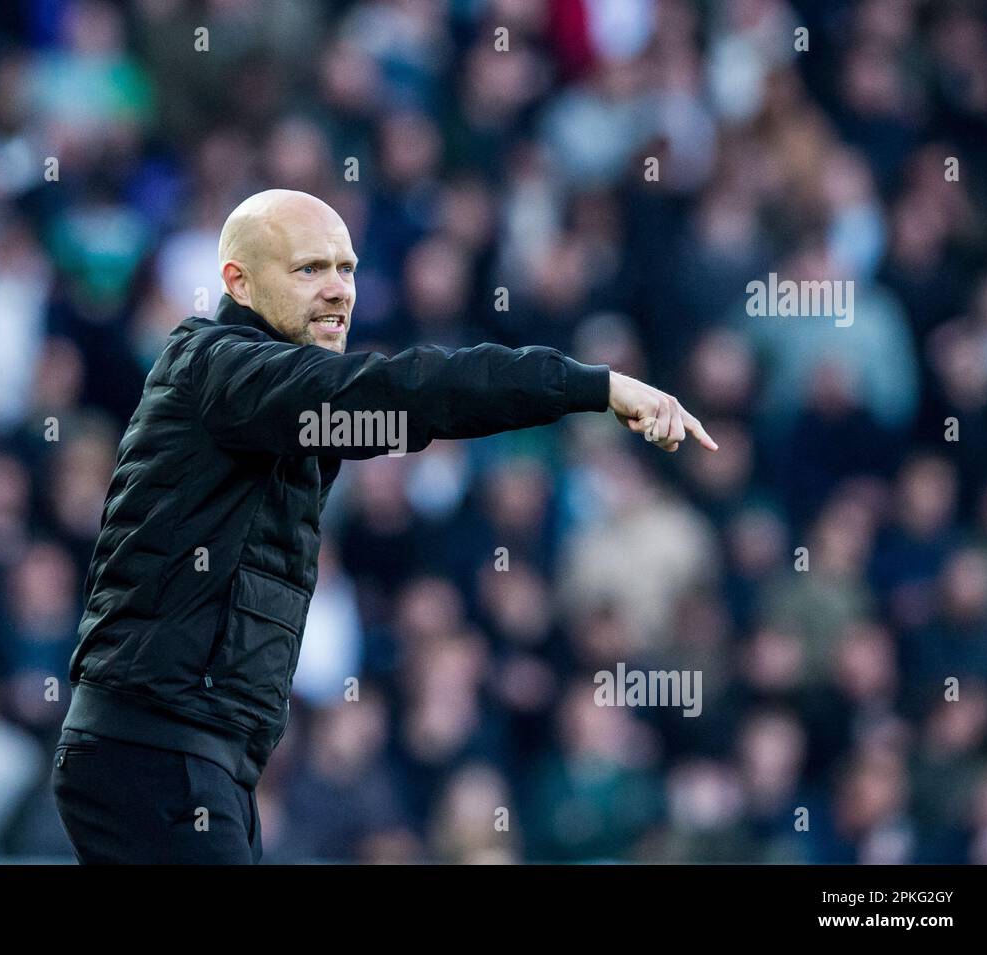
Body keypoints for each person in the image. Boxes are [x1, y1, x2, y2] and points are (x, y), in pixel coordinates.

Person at [51, 188, 717, 864]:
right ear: (238, 282)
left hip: (190, 758)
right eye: (311, 269)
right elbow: (408, 391)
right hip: (158, 753)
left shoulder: (278, 405)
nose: (340, 290)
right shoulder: (221, 369)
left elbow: (392, 412)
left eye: (348, 268)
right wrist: (588, 385)